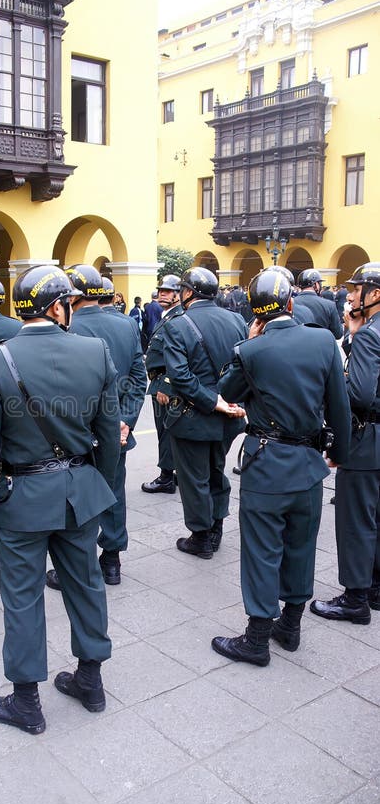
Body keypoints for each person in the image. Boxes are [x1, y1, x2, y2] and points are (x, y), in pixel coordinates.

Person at [0, 266, 120, 735]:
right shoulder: (95, 351)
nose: (70, 308)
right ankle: (90, 678)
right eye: (67, 301)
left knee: (23, 596)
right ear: (55, 306)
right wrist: (99, 491)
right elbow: (107, 435)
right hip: (77, 493)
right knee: (86, 583)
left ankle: (27, 701)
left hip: (22, 498)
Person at [211, 269, 351, 665]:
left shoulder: (251, 351)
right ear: (290, 303)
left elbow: (224, 394)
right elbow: (338, 406)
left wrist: (246, 345)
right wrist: (339, 451)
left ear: (255, 313)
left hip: (266, 463)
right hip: (308, 465)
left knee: (261, 550)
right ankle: (290, 627)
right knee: (301, 546)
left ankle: (256, 639)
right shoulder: (323, 340)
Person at [46, 265, 146, 588]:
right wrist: (125, 422)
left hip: (81, 432)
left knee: (80, 497)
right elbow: (138, 378)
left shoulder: (65, 330)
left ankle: (77, 564)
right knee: (113, 489)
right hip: (117, 430)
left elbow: (63, 388)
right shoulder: (127, 324)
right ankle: (112, 560)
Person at [161, 267, 248, 558]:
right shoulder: (236, 318)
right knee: (216, 471)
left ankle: (201, 537)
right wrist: (227, 401)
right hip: (228, 415)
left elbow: (181, 378)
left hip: (193, 415)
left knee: (194, 478)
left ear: (187, 292)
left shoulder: (178, 324)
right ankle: (216, 529)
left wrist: (212, 401)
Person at [310, 262, 380, 625]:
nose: (350, 295)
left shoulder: (371, 335)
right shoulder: (366, 331)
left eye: (357, 289)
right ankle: (375, 587)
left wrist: (343, 374)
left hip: (367, 440)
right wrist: (354, 333)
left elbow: (361, 394)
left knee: (356, 520)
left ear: (375, 294)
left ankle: (355, 598)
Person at [141, 275, 184, 494]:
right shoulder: (167, 315)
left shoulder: (177, 317)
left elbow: (176, 354)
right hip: (158, 379)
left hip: (164, 383)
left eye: (168, 291)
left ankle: (166, 476)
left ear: (179, 294)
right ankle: (172, 472)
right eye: (161, 290)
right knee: (165, 431)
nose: (162, 293)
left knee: (165, 432)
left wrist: (166, 386)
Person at [293, 269, 342, 338]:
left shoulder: (291, 303)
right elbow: (338, 334)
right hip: (322, 345)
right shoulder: (329, 305)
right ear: (316, 285)